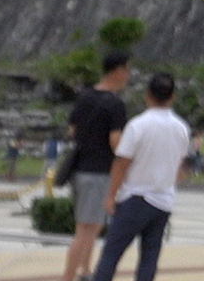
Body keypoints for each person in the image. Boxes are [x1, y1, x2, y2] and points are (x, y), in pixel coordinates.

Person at [92, 72, 191, 281]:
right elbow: (179, 167)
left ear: (147, 95)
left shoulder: (138, 125)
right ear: (172, 96)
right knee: (149, 258)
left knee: (111, 254)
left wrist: (111, 195)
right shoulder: (182, 128)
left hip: (135, 198)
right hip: (163, 201)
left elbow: (121, 163)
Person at [62, 51, 129, 281]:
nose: (128, 75)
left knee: (91, 228)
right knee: (85, 231)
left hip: (79, 169)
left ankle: (85, 272)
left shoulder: (85, 96)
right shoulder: (115, 104)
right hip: (99, 172)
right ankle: (69, 276)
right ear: (119, 70)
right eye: (127, 70)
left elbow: (72, 129)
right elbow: (116, 142)